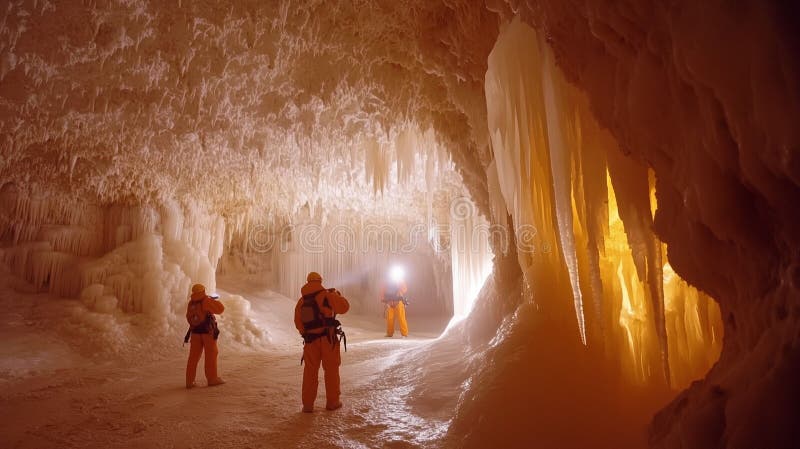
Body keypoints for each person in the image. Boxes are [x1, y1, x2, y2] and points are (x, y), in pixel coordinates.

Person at [294, 271, 350, 413]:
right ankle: (332, 402)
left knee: (310, 372)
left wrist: (307, 333)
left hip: (310, 342)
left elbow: (298, 323)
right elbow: (345, 307)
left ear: (308, 282)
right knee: (331, 370)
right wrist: (336, 295)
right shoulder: (327, 295)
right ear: (320, 281)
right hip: (328, 339)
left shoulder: (301, 301)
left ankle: (308, 405)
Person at [185, 283, 226, 389]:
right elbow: (221, 309)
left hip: (195, 333)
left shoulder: (191, 303)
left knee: (193, 357)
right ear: (203, 291)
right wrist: (213, 300)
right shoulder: (206, 300)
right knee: (211, 355)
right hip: (207, 333)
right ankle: (212, 379)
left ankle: (189, 381)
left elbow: (188, 316)